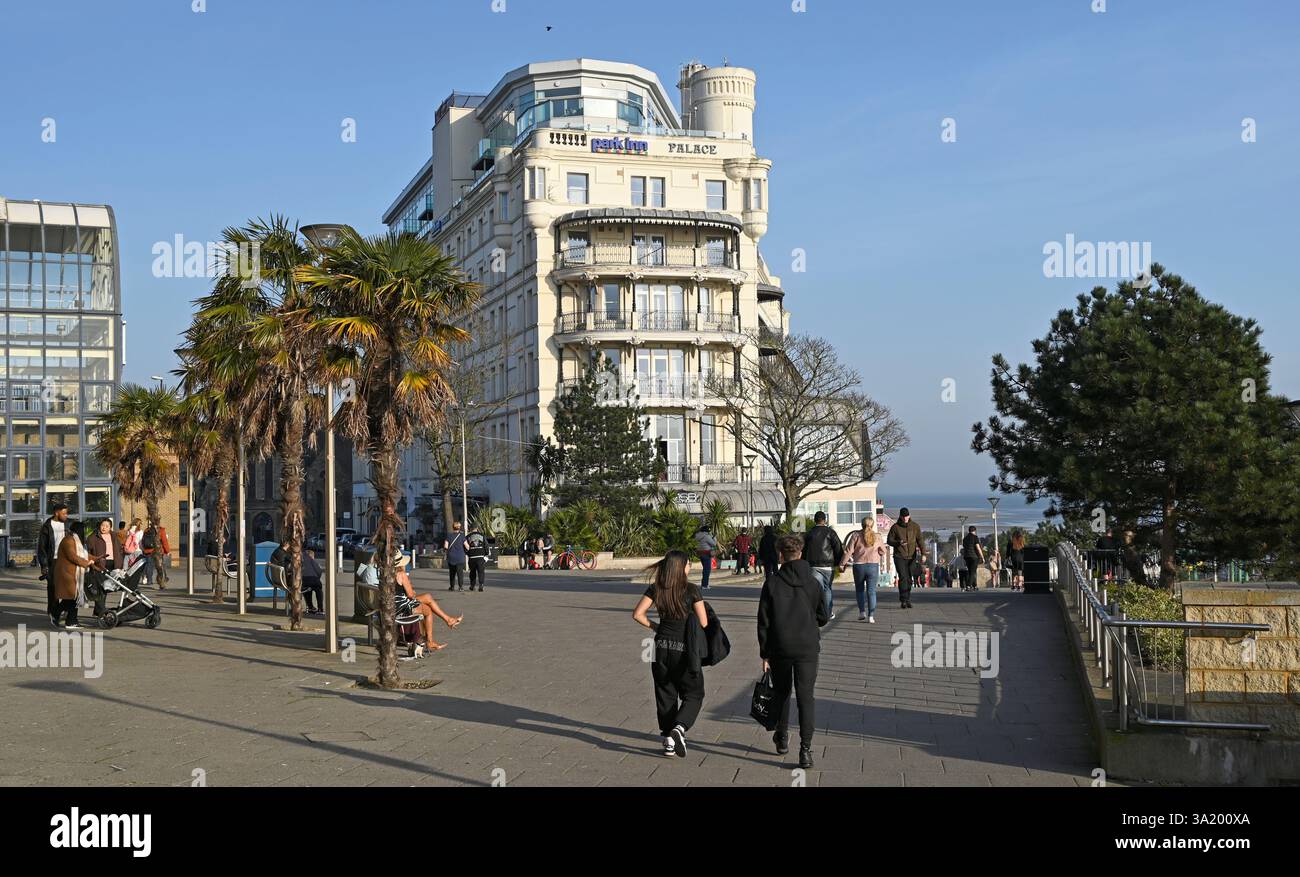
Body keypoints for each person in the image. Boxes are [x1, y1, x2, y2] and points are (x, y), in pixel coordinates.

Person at [758, 535, 830, 769]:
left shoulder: (772, 583)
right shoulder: (813, 582)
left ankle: (782, 737)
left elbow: (764, 622)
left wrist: (765, 653)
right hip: (808, 646)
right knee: (805, 697)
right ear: (801, 554)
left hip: (781, 647)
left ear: (781, 555)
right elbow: (823, 616)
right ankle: (805, 750)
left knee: (781, 693)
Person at [632, 551, 708, 758]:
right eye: (688, 564)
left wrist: (656, 627)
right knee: (694, 694)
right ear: (681, 567)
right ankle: (679, 728)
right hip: (684, 649)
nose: (690, 567)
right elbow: (703, 622)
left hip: (660, 647)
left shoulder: (656, 589)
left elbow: (637, 614)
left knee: (665, 693)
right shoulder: (691, 590)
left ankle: (668, 740)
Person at [395, 552, 462, 651]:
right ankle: (431, 641)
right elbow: (410, 595)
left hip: (391, 605)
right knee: (428, 610)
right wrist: (412, 590)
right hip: (401, 607)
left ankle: (448, 620)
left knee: (427, 597)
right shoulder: (401, 574)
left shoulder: (385, 574)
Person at [839, 515, 886, 622]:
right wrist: (877, 554)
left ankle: (862, 612)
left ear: (862, 524)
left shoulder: (856, 535)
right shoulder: (877, 536)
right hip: (873, 566)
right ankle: (871, 616)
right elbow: (883, 551)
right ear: (872, 525)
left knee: (859, 590)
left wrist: (842, 563)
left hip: (859, 566)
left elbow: (848, 551)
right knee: (871, 592)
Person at [52, 520, 96, 629]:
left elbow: (84, 554)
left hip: (71, 574)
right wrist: (86, 563)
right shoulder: (69, 540)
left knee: (71, 599)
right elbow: (73, 556)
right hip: (68, 575)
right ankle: (68, 620)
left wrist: (97, 559)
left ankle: (63, 618)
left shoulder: (74, 540)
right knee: (72, 598)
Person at [802, 511, 843, 620]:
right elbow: (838, 548)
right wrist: (839, 563)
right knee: (827, 589)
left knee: (817, 589)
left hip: (813, 566)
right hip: (828, 566)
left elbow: (804, 550)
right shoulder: (831, 532)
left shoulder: (809, 533)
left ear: (815, 520)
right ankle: (828, 612)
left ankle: (817, 612)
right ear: (825, 520)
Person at [37, 503, 70, 626]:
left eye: (67, 513)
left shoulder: (68, 525)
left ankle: (63, 610)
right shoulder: (47, 526)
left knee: (67, 586)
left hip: (66, 560)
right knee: (53, 587)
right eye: (64, 513)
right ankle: (53, 610)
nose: (66, 515)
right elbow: (42, 548)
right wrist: (44, 565)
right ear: (56, 513)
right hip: (53, 561)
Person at [887, 507, 923, 609]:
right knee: (903, 577)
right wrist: (898, 543)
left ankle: (908, 598)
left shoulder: (915, 526)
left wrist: (923, 553)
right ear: (900, 516)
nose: (905, 518)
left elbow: (920, 540)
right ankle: (903, 600)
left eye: (907, 516)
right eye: (903, 517)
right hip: (899, 556)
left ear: (909, 516)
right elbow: (889, 540)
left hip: (912, 557)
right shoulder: (895, 527)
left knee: (909, 578)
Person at [693, 524, 720, 590]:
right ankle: (705, 585)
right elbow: (713, 544)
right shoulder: (707, 536)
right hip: (707, 554)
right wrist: (714, 537)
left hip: (700, 553)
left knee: (705, 569)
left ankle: (704, 584)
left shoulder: (697, 535)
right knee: (707, 570)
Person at [444, 521, 467, 591]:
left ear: (453, 527)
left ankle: (452, 587)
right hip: (460, 557)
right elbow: (467, 546)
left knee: (452, 573)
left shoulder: (449, 536)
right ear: (459, 528)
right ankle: (461, 587)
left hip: (451, 557)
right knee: (460, 573)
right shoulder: (462, 536)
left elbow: (446, 546)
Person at [961, 525, 985, 592]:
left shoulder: (965, 539)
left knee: (970, 571)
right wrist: (982, 557)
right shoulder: (975, 537)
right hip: (974, 557)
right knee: (973, 572)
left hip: (966, 557)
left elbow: (964, 548)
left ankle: (975, 586)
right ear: (974, 531)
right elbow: (978, 548)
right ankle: (968, 586)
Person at [465, 524, 488, 592]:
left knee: (472, 572)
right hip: (480, 557)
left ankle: (472, 586)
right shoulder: (482, 535)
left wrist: (468, 554)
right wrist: (485, 554)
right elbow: (486, 545)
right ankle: (481, 585)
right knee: (481, 572)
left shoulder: (467, 537)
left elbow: (465, 547)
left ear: (470, 529)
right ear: (477, 528)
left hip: (472, 557)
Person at [301, 548, 324, 614]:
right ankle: (320, 608)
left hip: (304, 581)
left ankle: (310, 607)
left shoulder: (301, 558)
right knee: (318, 589)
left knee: (307, 589)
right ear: (311, 556)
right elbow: (319, 571)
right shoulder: (311, 560)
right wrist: (317, 578)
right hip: (314, 580)